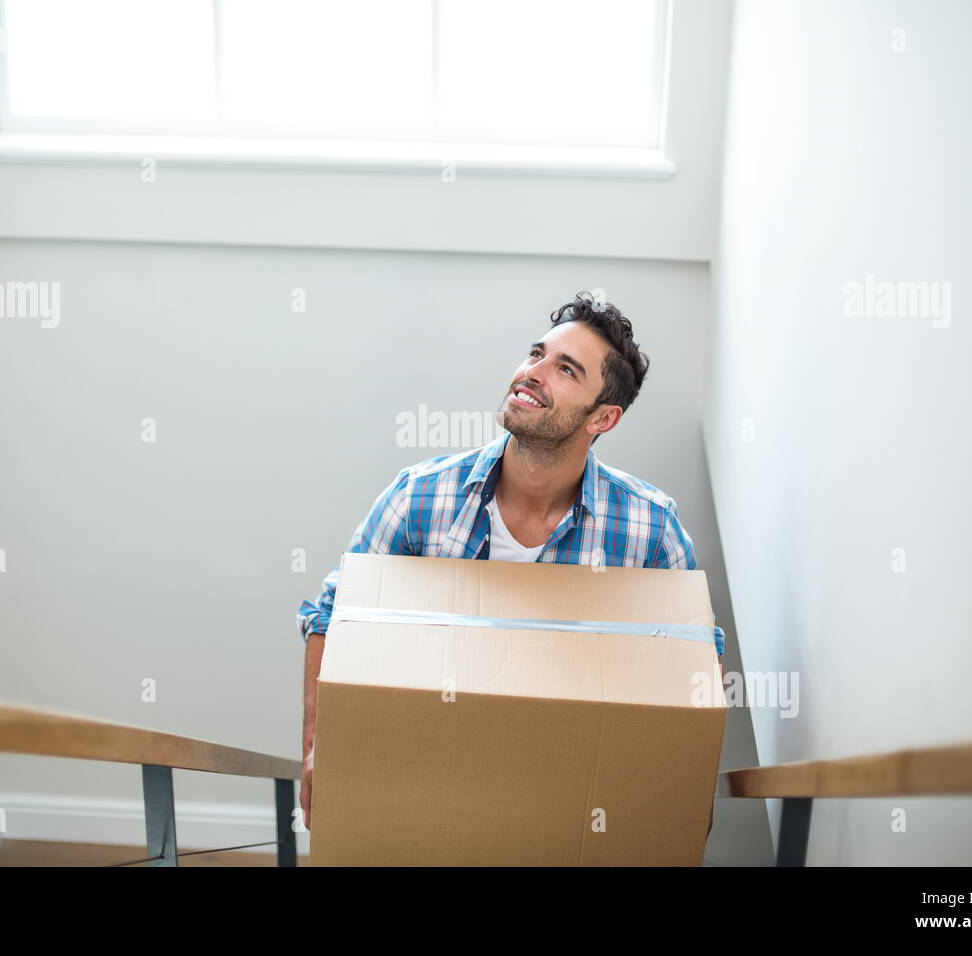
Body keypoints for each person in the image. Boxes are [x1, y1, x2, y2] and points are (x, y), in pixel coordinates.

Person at [295, 290, 724, 838]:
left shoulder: (649, 530)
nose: (533, 372)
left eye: (565, 369)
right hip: (427, 785)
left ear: (605, 417)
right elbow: (331, 617)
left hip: (568, 806)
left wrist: (689, 782)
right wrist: (317, 748)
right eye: (535, 354)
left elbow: (695, 661)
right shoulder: (421, 498)